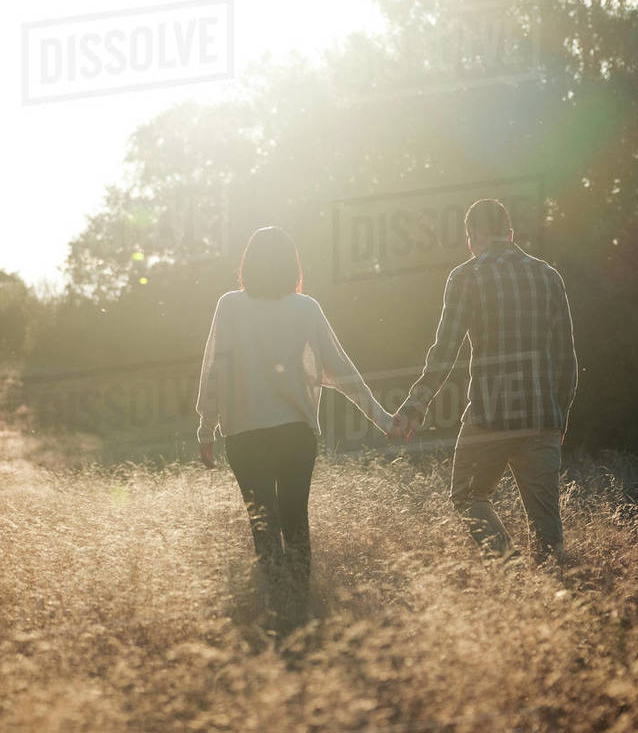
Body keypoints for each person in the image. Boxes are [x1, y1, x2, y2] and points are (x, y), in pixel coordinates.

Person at [196, 226, 393, 628]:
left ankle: (277, 618)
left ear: (248, 263)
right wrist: (383, 418)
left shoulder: (230, 306)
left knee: (263, 527)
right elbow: (342, 369)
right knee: (295, 523)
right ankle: (299, 615)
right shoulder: (306, 308)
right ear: (293, 264)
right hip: (295, 435)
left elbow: (214, 368)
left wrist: (205, 428)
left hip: (245, 436)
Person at [391, 198, 578, 563]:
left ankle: (510, 568)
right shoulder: (548, 276)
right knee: (546, 526)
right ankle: (556, 600)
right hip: (541, 419)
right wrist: (560, 417)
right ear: (510, 234)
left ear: (471, 237)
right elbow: (566, 359)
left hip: (488, 418)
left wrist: (416, 405)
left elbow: (445, 351)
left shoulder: (466, 276)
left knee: (465, 495)